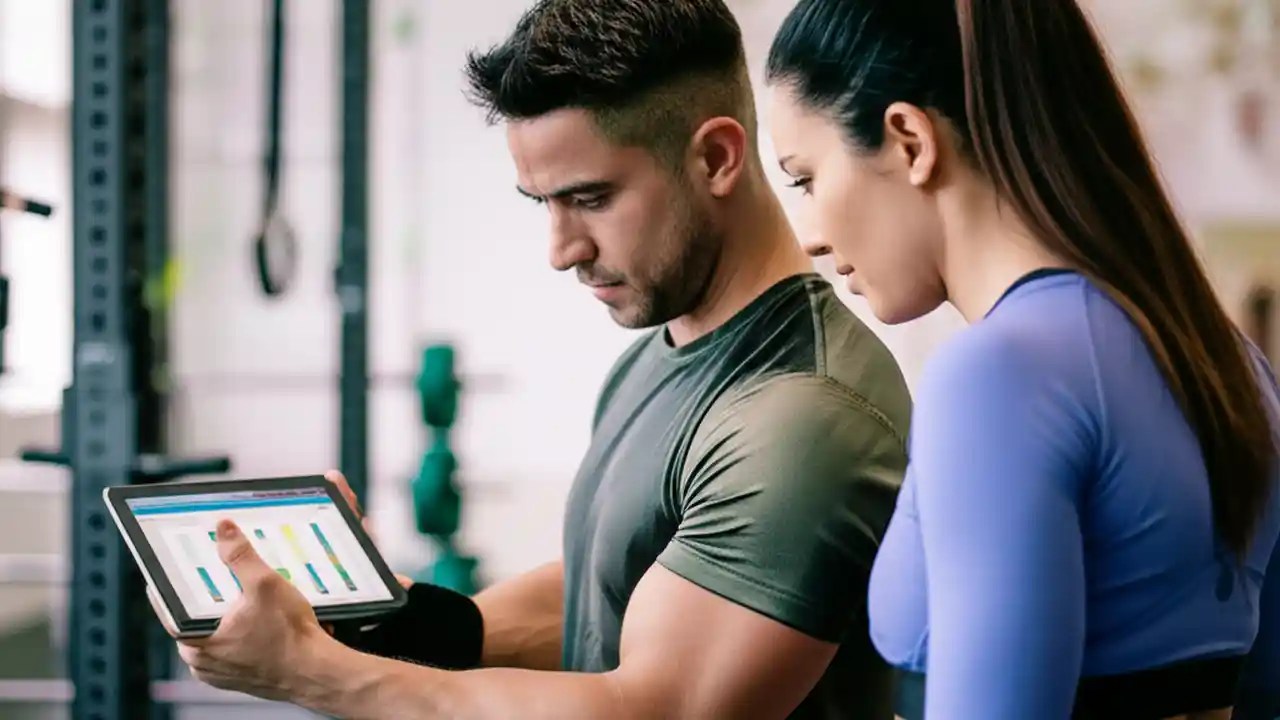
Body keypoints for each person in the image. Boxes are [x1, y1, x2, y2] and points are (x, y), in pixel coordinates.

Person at [159, 1, 914, 717]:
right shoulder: (663, 350)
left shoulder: (802, 415)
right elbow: (613, 592)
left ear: (715, 157)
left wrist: (312, 672)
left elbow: (660, 709)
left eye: (589, 197)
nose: (562, 251)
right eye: (542, 203)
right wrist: (393, 620)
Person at [763, 0, 1280, 718]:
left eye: (805, 177)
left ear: (910, 139)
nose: (811, 235)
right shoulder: (1237, 368)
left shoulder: (997, 379)